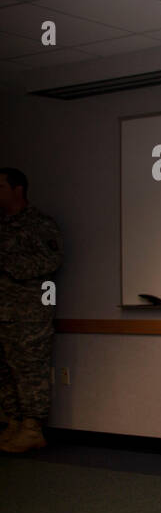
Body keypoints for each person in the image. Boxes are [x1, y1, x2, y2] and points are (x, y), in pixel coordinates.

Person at [0, 167, 62, 454]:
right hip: (4, 313)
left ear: (18, 189)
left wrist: (8, 262)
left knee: (30, 371)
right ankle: (12, 424)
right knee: (6, 372)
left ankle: (31, 428)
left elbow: (50, 262)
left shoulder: (39, 225)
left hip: (30, 314)